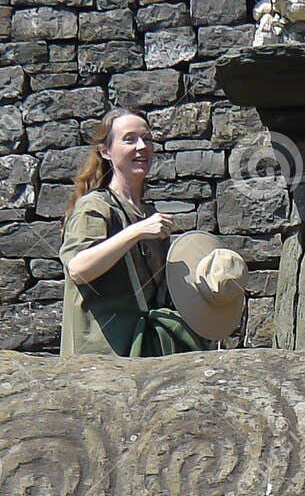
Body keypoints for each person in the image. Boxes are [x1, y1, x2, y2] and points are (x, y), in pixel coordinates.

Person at [60, 108, 215, 356]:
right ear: (106, 151)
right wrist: (136, 232)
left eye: (147, 139)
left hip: (144, 354)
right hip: (100, 360)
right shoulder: (95, 206)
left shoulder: (148, 213)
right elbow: (79, 269)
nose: (142, 146)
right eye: (130, 139)